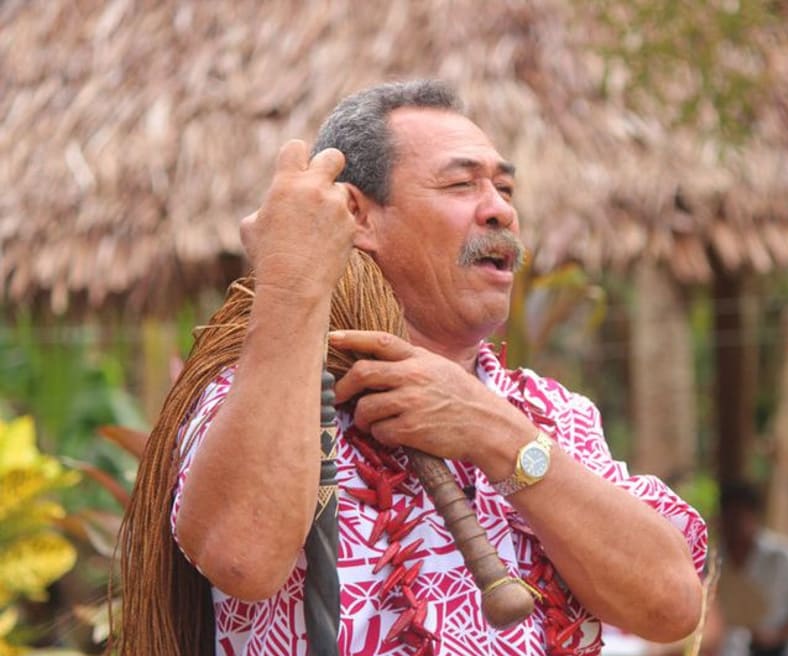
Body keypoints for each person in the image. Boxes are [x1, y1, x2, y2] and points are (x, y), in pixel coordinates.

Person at [115, 80, 708, 655]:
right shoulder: (258, 395)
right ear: (357, 216)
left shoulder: (553, 415)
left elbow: (671, 606)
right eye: (460, 184)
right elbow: (240, 554)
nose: (500, 210)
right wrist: (293, 279)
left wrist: (492, 431)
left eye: (505, 188)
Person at [717, 482, 788, 656]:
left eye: (739, 517)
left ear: (754, 515)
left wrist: (777, 635)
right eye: (729, 517)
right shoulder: (712, 560)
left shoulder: (786, 556)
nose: (733, 525)